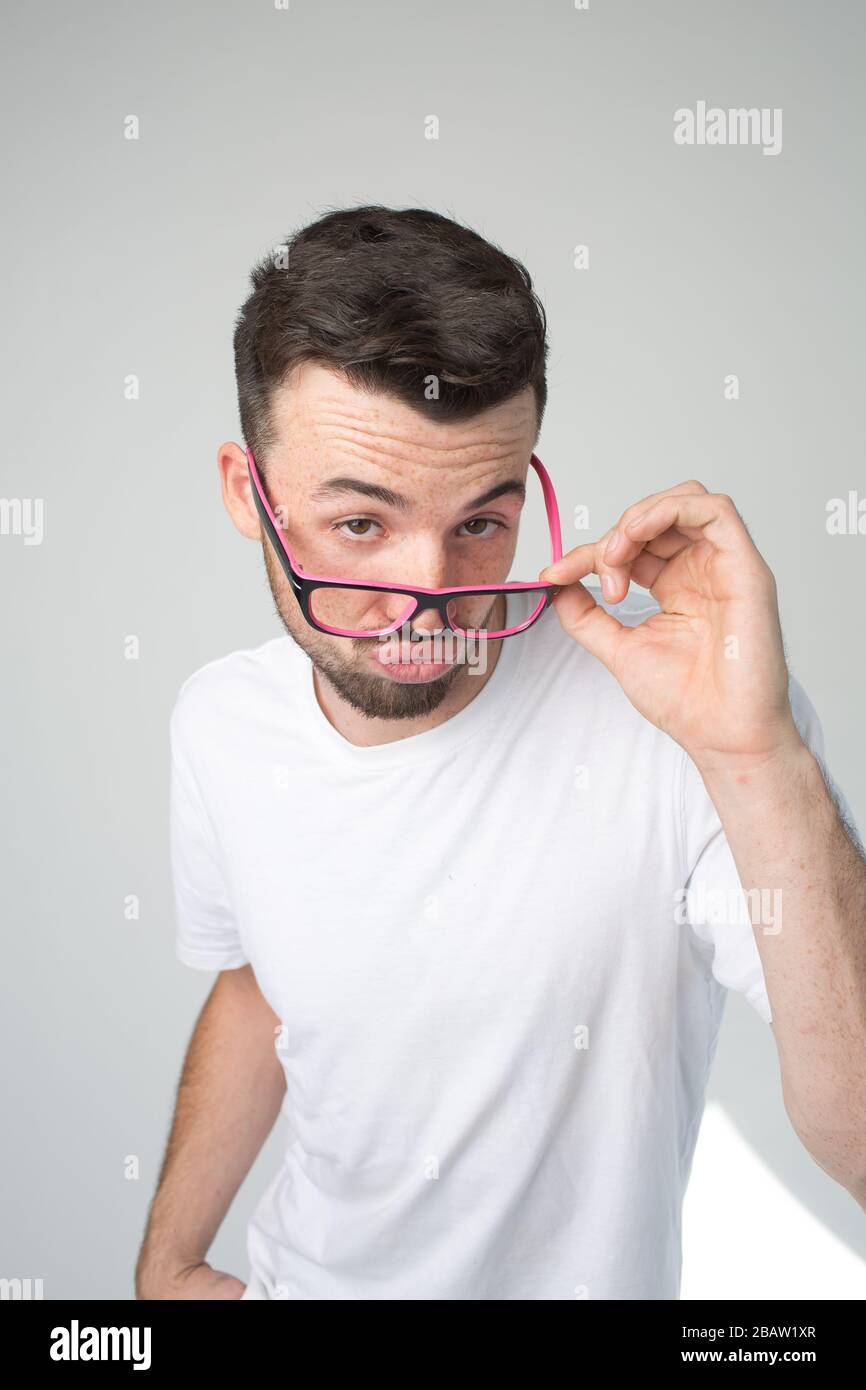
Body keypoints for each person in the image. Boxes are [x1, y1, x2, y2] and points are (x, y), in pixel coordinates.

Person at [135, 205, 866, 1301]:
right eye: (361, 526)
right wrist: (165, 1261)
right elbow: (257, 986)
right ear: (250, 494)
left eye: (481, 518)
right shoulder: (218, 723)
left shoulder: (682, 726)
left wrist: (754, 753)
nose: (431, 598)